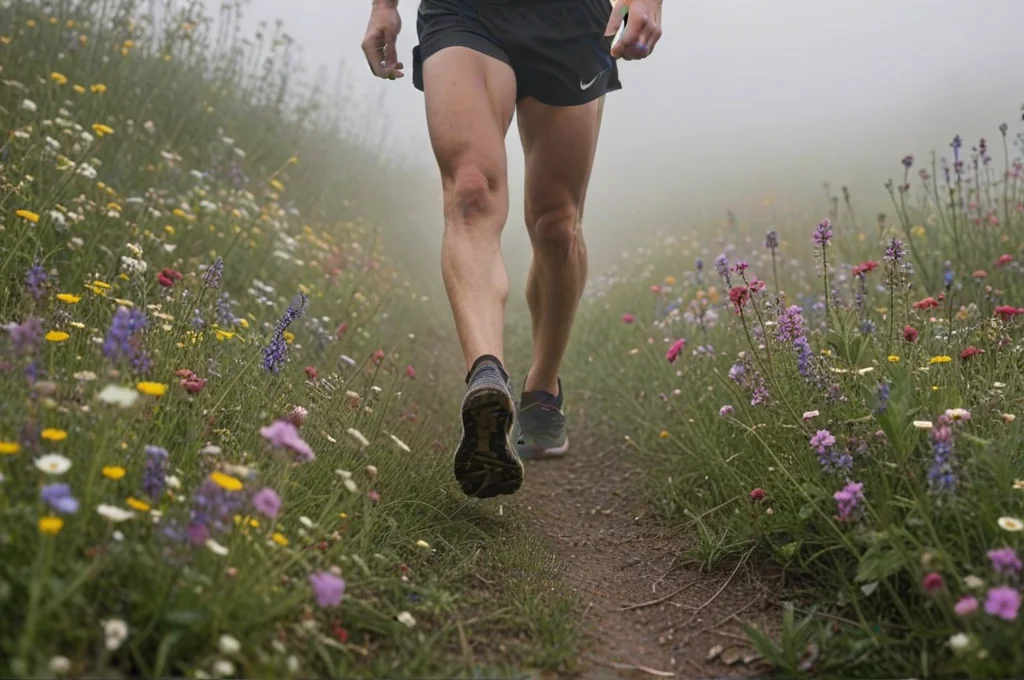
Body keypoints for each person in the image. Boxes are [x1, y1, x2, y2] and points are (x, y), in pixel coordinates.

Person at [361, 0, 662, 498]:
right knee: (470, 192)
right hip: (463, 13)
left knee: (556, 224)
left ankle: (543, 388)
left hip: (569, 18)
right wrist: (384, 7)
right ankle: (487, 377)